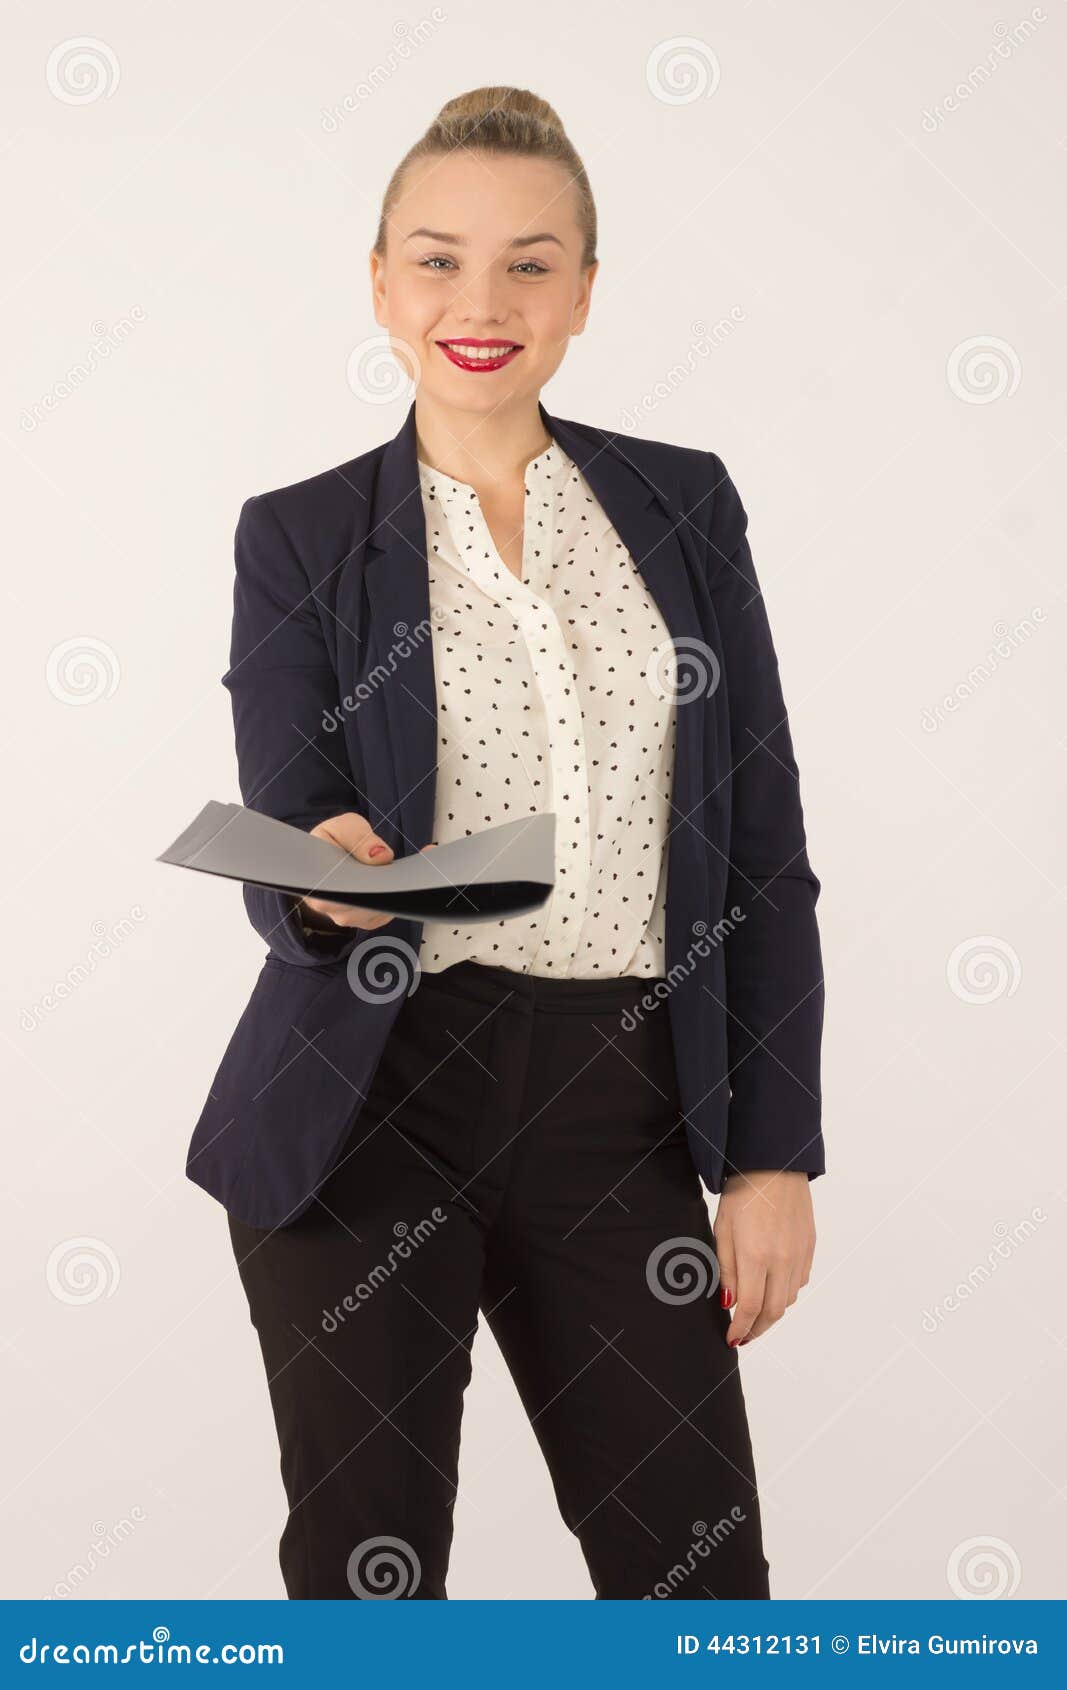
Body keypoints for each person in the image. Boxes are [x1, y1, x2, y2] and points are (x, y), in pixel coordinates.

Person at [197, 84, 826, 1600]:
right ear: (380, 282)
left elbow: (762, 844)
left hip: (621, 1104)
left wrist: (771, 1155)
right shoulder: (297, 534)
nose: (482, 303)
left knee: (698, 1585)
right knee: (373, 1586)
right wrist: (324, 869)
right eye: (438, 259)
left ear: (587, 293)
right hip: (368, 1102)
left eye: (532, 263)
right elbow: (286, 803)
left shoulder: (682, 506)